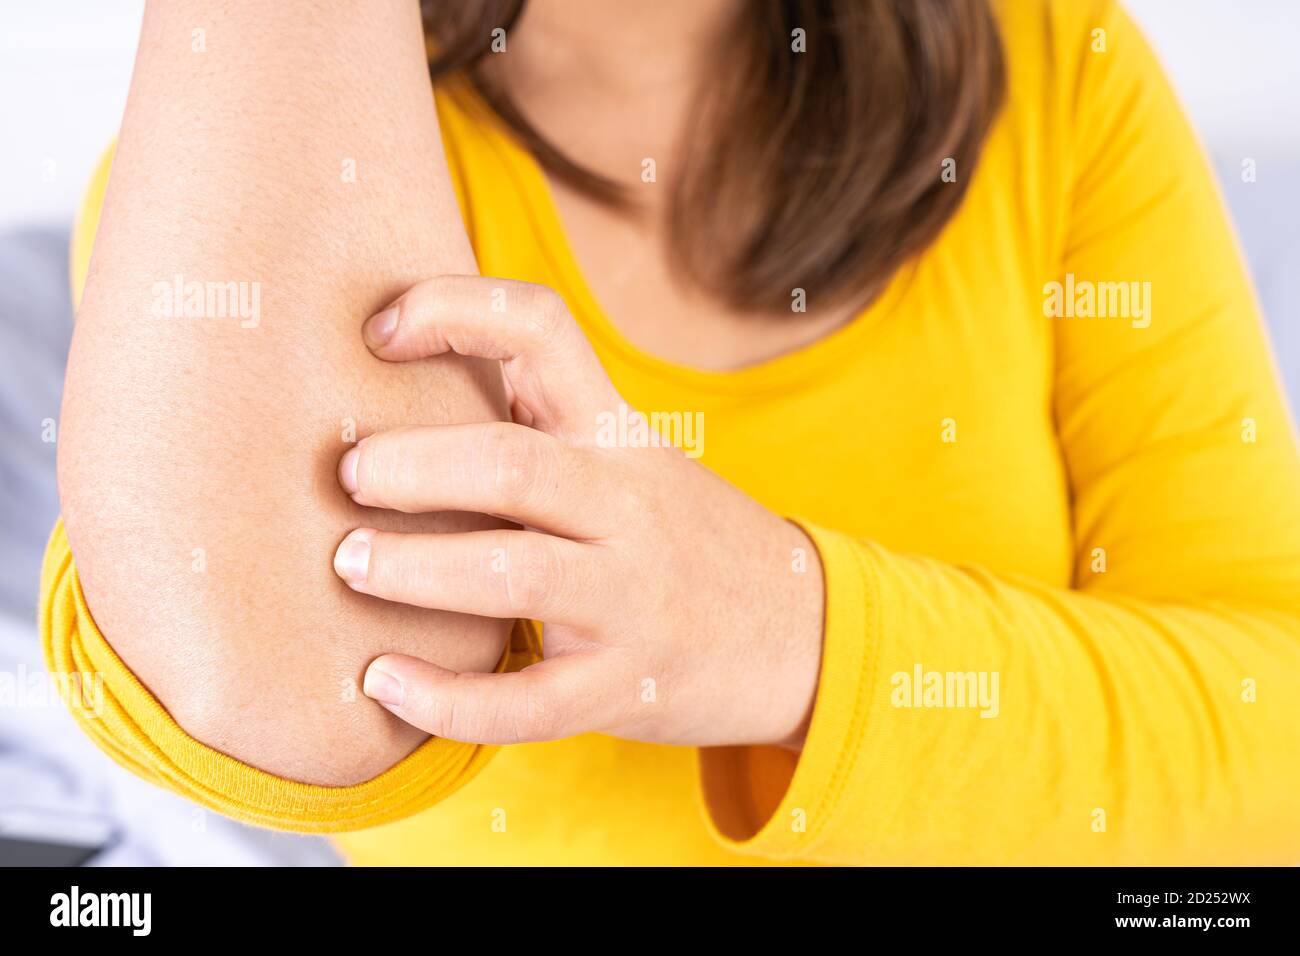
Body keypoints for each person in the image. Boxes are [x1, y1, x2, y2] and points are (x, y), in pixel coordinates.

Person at [42, 0, 1300, 865]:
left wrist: (789, 637)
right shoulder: (283, 164)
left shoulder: (1054, 65)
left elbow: (1274, 737)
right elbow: (269, 706)